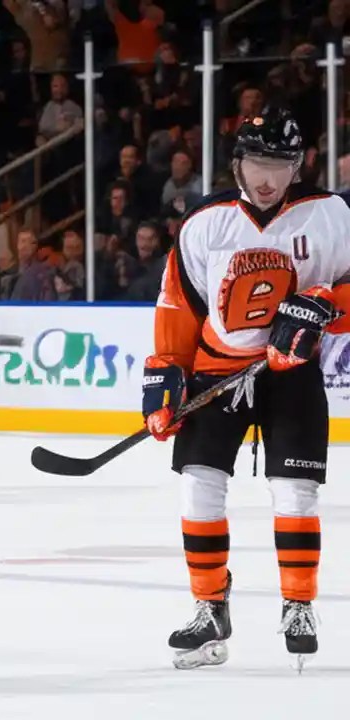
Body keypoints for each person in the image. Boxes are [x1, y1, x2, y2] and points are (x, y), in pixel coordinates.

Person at [142, 105, 350, 670]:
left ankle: (298, 605)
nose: (267, 178)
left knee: (295, 491)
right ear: (237, 163)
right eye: (257, 163)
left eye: (280, 165)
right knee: (198, 484)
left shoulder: (330, 215)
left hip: (291, 374)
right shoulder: (205, 222)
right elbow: (179, 304)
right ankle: (209, 606)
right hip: (216, 372)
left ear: (298, 166)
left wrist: (327, 305)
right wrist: (165, 375)